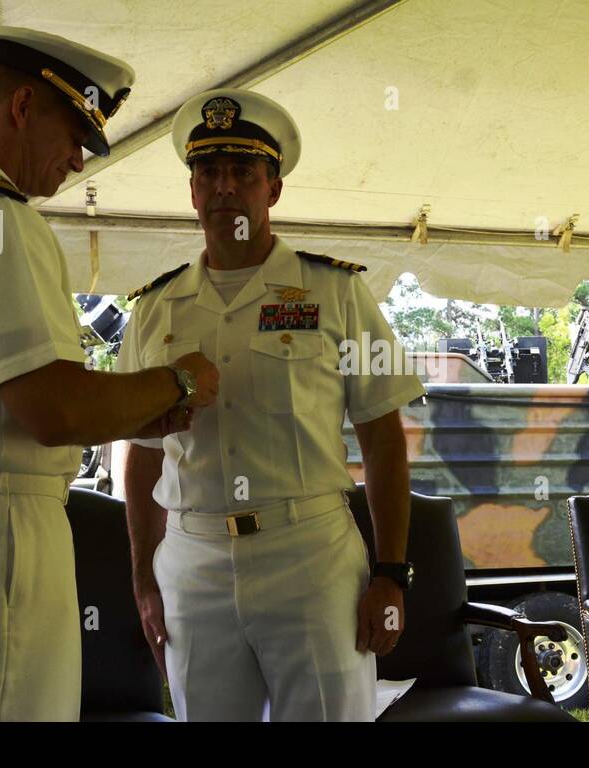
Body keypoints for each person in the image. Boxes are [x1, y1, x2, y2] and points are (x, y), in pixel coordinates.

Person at [0, 26, 218, 721]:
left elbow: (0, 393)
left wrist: (132, 409)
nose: (75, 162)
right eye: (73, 135)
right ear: (23, 106)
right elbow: (54, 408)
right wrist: (179, 382)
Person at [116, 88, 425, 721]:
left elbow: (382, 436)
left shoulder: (334, 292)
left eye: (243, 172)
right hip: (192, 564)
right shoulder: (154, 309)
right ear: (192, 190)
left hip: (309, 556)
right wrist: (145, 582)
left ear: (273, 189)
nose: (224, 187)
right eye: (209, 172)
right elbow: (142, 454)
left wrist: (391, 572)